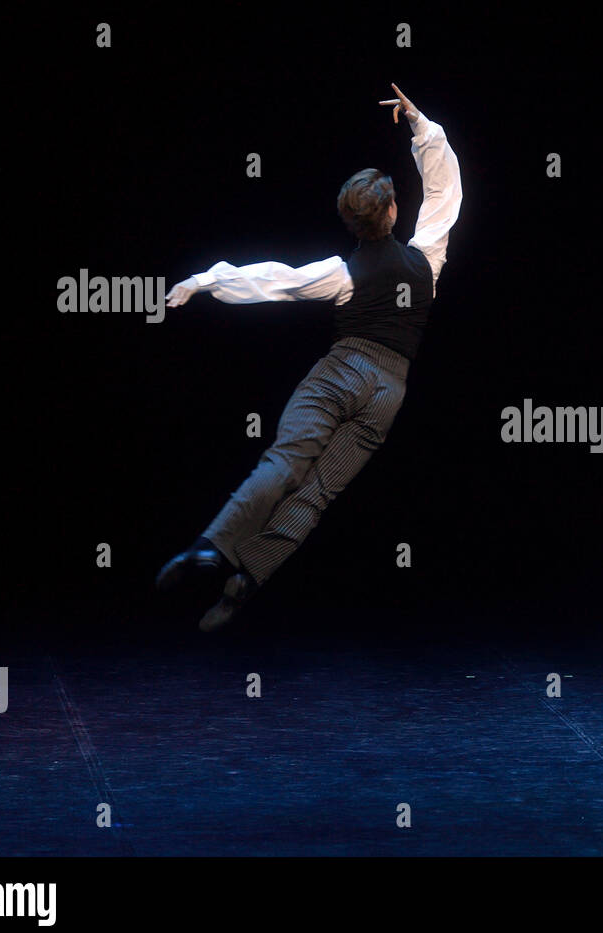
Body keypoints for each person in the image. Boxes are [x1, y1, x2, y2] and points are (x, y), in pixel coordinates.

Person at [155, 83, 462, 631]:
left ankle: (211, 547)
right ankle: (247, 579)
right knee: (319, 491)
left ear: (355, 223)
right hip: (390, 390)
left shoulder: (341, 274)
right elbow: (444, 192)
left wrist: (206, 281)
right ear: (393, 211)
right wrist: (420, 125)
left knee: (284, 463)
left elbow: (274, 281)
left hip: (343, 372)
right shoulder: (426, 260)